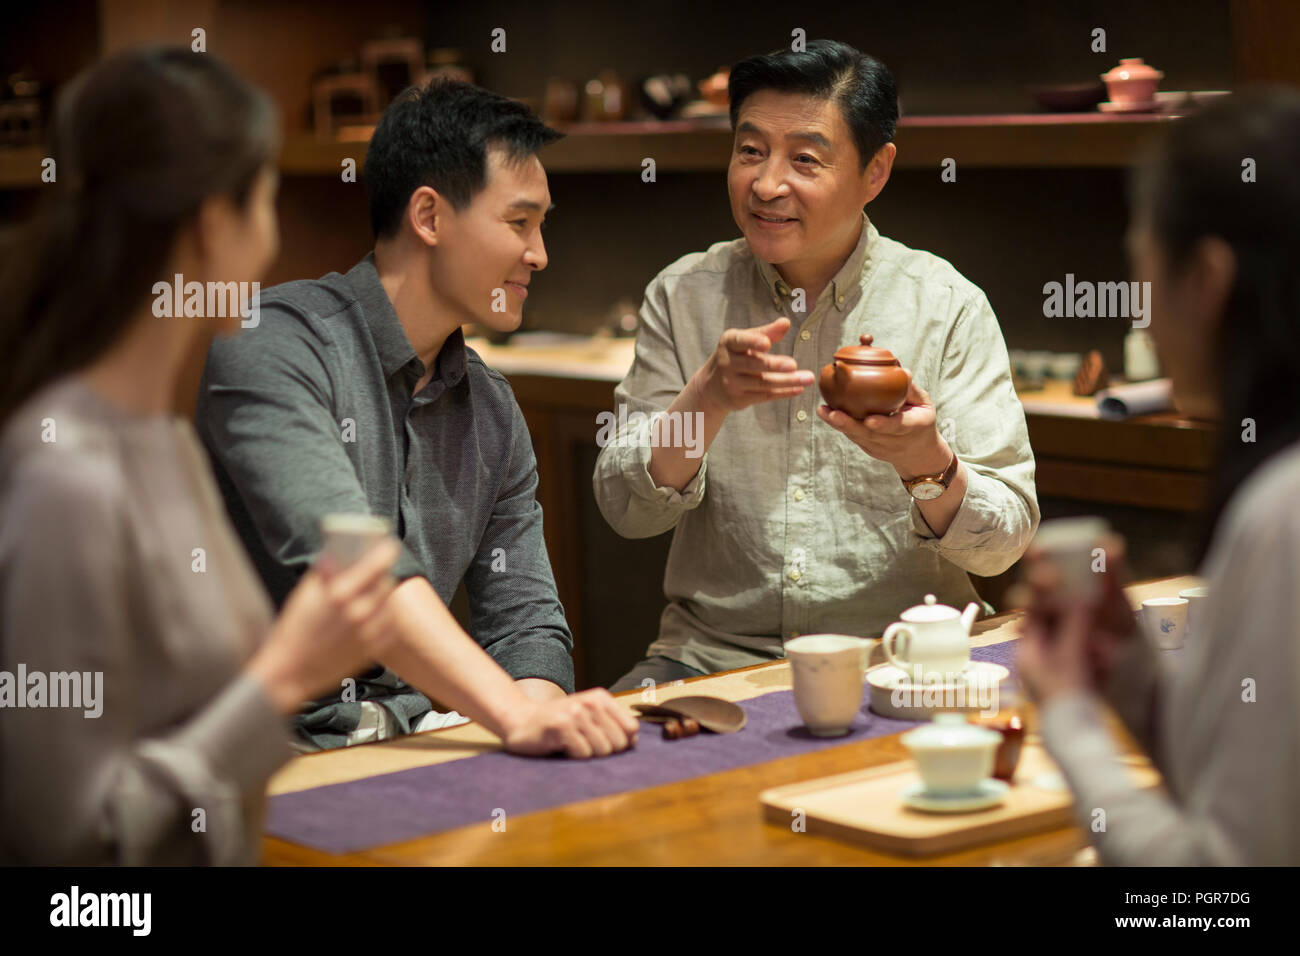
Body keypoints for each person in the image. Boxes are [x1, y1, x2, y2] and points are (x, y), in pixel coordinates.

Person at [0, 48, 402, 865]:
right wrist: (288, 674)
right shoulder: (65, 478)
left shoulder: (166, 438)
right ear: (215, 224)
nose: (273, 233)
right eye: (265, 199)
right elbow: (70, 856)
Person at [196, 79, 639, 754]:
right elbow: (354, 568)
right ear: (429, 217)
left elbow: (526, 628)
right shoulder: (272, 345)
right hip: (255, 755)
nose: (540, 254)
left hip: (412, 743)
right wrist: (511, 717)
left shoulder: (491, 407)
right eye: (519, 223)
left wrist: (540, 722)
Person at [594, 40, 1039, 690]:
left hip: (902, 656)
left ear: (875, 172)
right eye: (750, 151)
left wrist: (926, 462)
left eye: (805, 159)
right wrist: (707, 402)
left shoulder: (946, 306)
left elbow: (1004, 544)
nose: (767, 184)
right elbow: (625, 510)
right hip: (715, 660)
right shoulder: (684, 294)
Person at [1016, 89, 1300, 865]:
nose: (1141, 316)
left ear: (1205, 278)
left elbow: (1213, 897)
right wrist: (1133, 674)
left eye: (1141, 265)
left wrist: (1068, 712)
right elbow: (1257, 794)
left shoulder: (1285, 511)